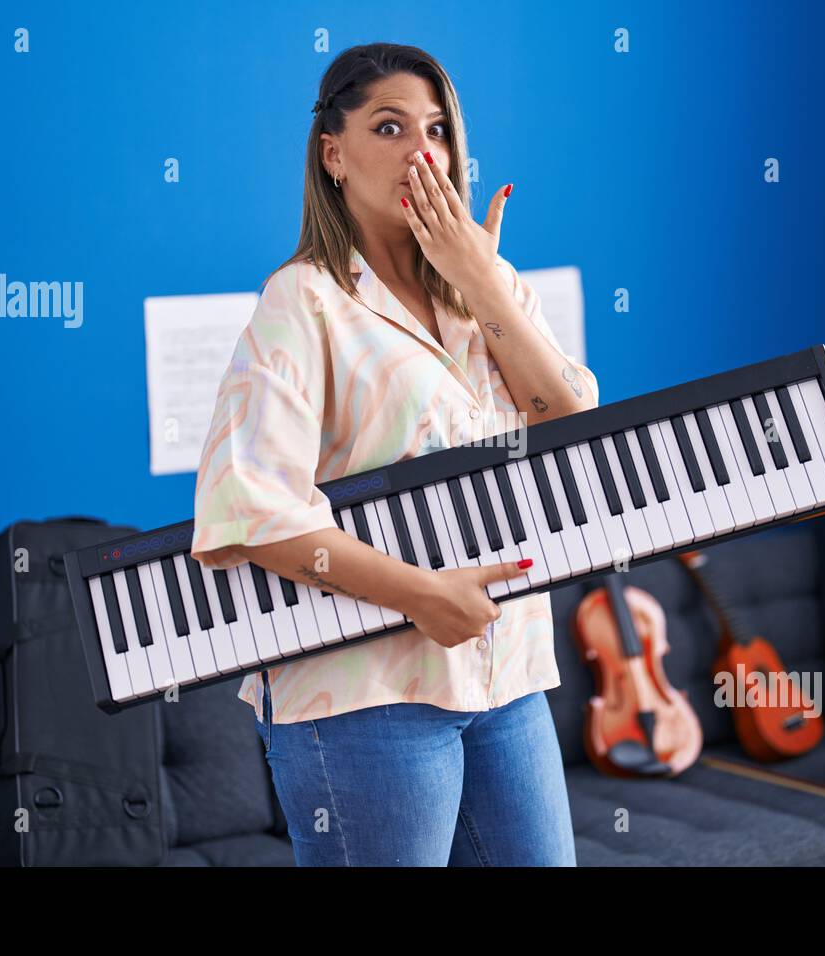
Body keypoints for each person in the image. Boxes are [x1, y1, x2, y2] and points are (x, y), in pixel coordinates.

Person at [191, 42, 599, 866]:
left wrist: (481, 284)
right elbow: (257, 514)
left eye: (439, 130)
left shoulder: (492, 282)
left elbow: (567, 426)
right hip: (364, 687)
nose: (424, 151)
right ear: (333, 155)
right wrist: (423, 596)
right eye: (390, 127)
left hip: (506, 668)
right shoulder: (301, 303)